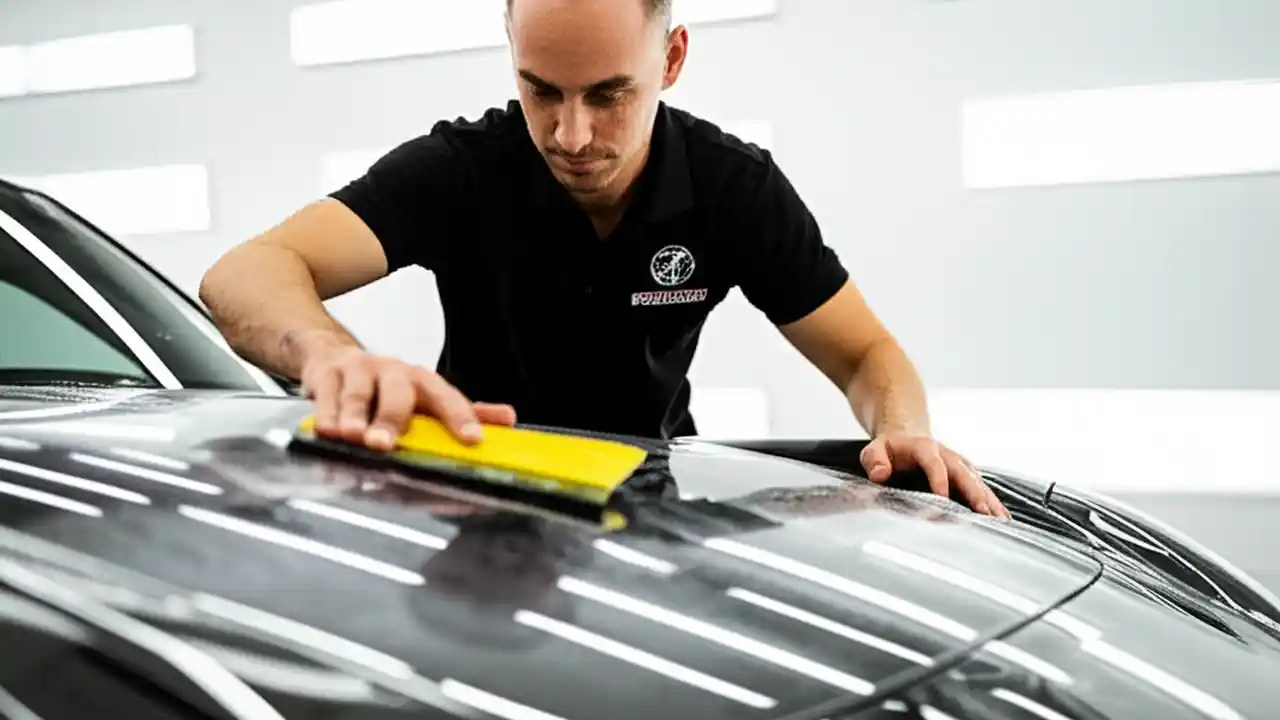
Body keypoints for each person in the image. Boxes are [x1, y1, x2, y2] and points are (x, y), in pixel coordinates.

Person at [198, 0, 1009, 518]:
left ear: (674, 59)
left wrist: (902, 431)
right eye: (540, 89)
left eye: (609, 94)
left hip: (654, 506)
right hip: (479, 504)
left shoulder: (732, 188)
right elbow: (246, 272)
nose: (570, 135)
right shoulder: (463, 167)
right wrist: (334, 356)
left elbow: (867, 353)